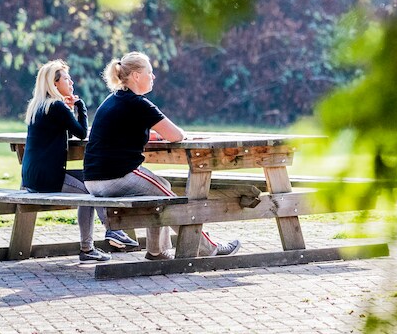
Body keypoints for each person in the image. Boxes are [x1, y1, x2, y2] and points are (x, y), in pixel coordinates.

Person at [83, 52, 240, 260]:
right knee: (166, 192)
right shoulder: (138, 104)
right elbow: (176, 135)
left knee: (159, 188)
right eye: (150, 72)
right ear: (137, 76)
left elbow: (125, 132)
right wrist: (182, 135)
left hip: (93, 180)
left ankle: (157, 250)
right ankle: (207, 248)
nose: (153, 76)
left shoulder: (113, 100)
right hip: (114, 178)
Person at [22, 60, 140, 263]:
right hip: (47, 178)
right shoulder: (57, 106)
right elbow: (81, 132)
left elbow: (64, 135)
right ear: (54, 83)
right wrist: (79, 106)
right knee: (92, 190)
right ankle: (110, 232)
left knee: (91, 180)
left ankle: (93, 245)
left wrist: (69, 111)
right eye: (66, 79)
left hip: (32, 177)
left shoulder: (38, 106)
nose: (71, 82)